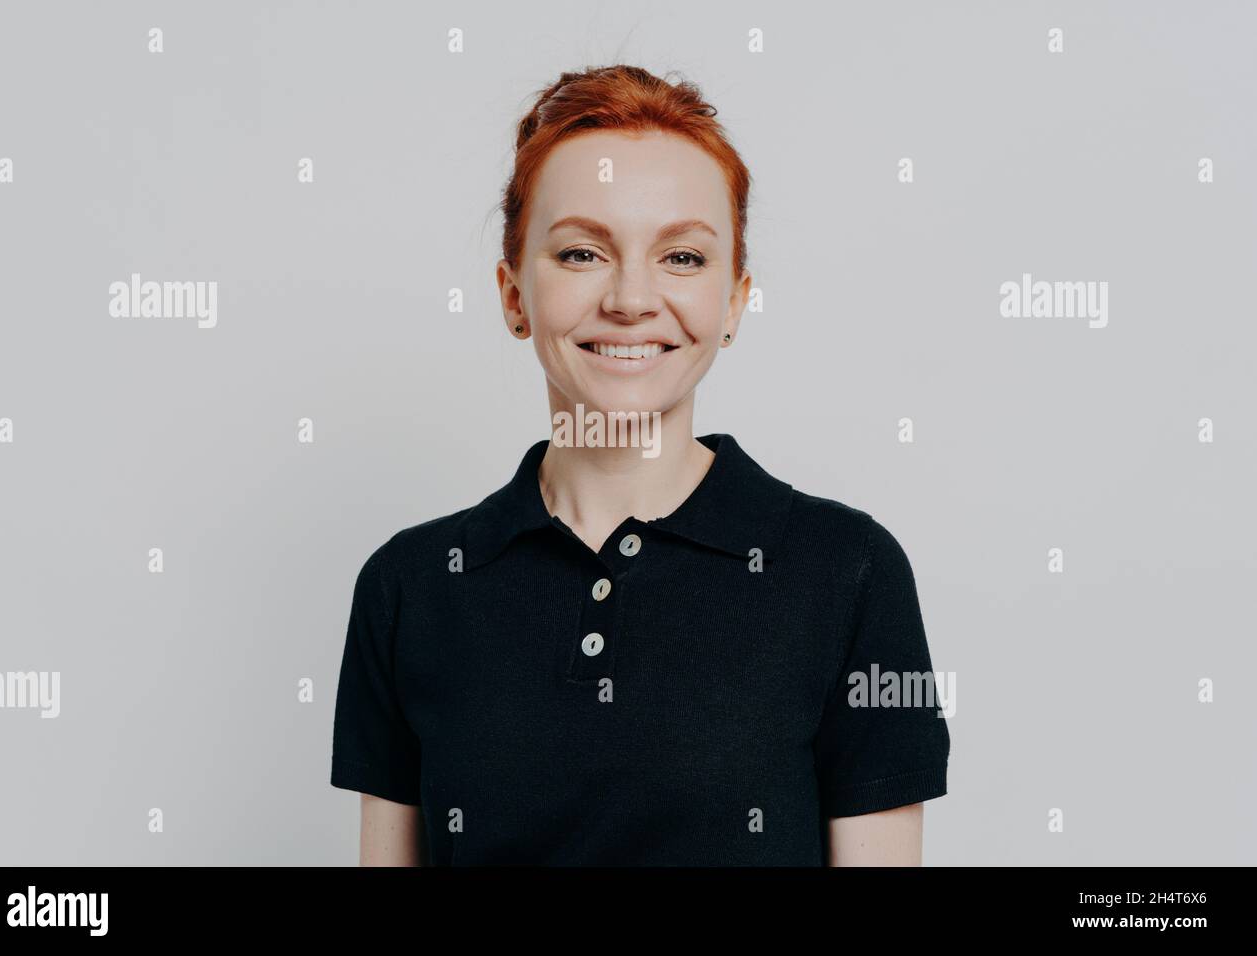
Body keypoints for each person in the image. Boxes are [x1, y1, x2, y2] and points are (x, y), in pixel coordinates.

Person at [331, 64, 950, 866]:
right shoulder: (409, 585)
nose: (630, 298)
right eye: (583, 253)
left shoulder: (851, 572)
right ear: (514, 293)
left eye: (683, 258)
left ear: (733, 301)